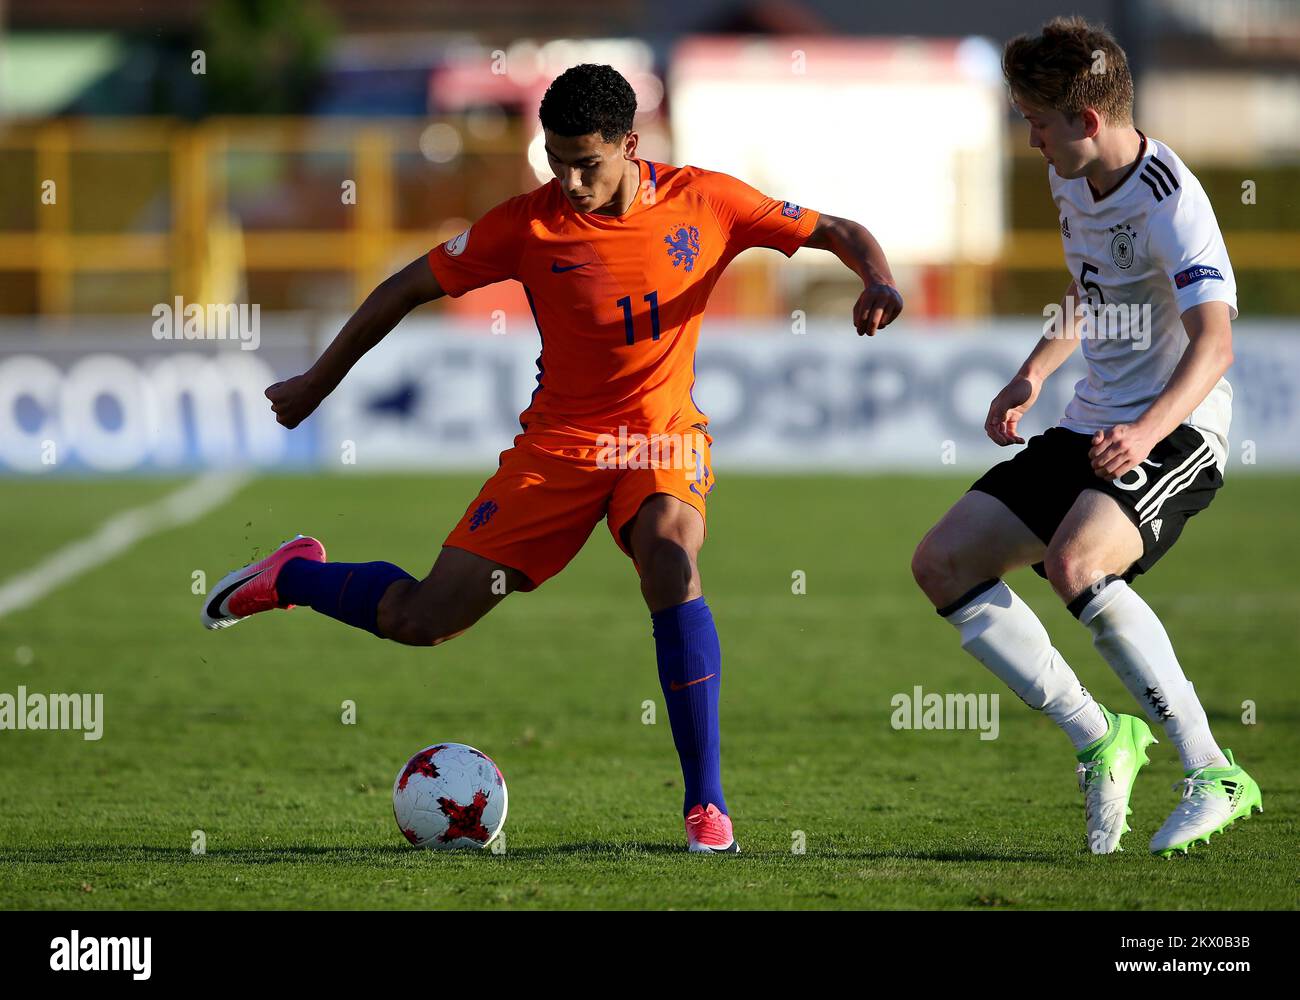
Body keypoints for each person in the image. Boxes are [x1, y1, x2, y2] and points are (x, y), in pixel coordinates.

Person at [202, 63, 902, 854]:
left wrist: (878, 278)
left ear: (632, 145)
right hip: (558, 450)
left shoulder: (709, 200)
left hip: (661, 440)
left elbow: (836, 230)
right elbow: (404, 288)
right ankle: (292, 574)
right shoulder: (526, 225)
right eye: (554, 159)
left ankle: (706, 807)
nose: (567, 180)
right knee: (419, 621)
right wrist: (318, 382)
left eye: (586, 163)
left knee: (671, 559)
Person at [911, 17, 1261, 857]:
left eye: (1036, 119)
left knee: (1076, 562)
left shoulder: (1171, 199)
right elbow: (1089, 290)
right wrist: (1034, 371)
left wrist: (1145, 431)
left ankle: (1212, 768)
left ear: (1087, 120)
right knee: (942, 563)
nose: (1027, 137)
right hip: (1096, 421)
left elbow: (1216, 342)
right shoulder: (1074, 176)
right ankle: (1101, 736)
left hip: (1177, 427)